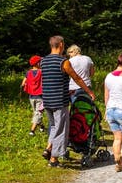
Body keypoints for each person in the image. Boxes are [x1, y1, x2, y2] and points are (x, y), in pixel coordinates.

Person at [41, 35, 96, 168]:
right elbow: (76, 78)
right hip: (60, 100)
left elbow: (51, 79)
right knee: (61, 129)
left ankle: (48, 148)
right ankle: (54, 158)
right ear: (61, 45)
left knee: (53, 126)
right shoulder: (63, 61)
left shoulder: (43, 61)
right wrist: (89, 92)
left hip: (47, 99)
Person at [21, 55, 45, 136]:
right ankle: (32, 131)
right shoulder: (42, 72)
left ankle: (41, 126)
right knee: (38, 113)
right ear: (38, 63)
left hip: (31, 97)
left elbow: (23, 83)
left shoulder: (28, 72)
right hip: (41, 97)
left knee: (36, 113)